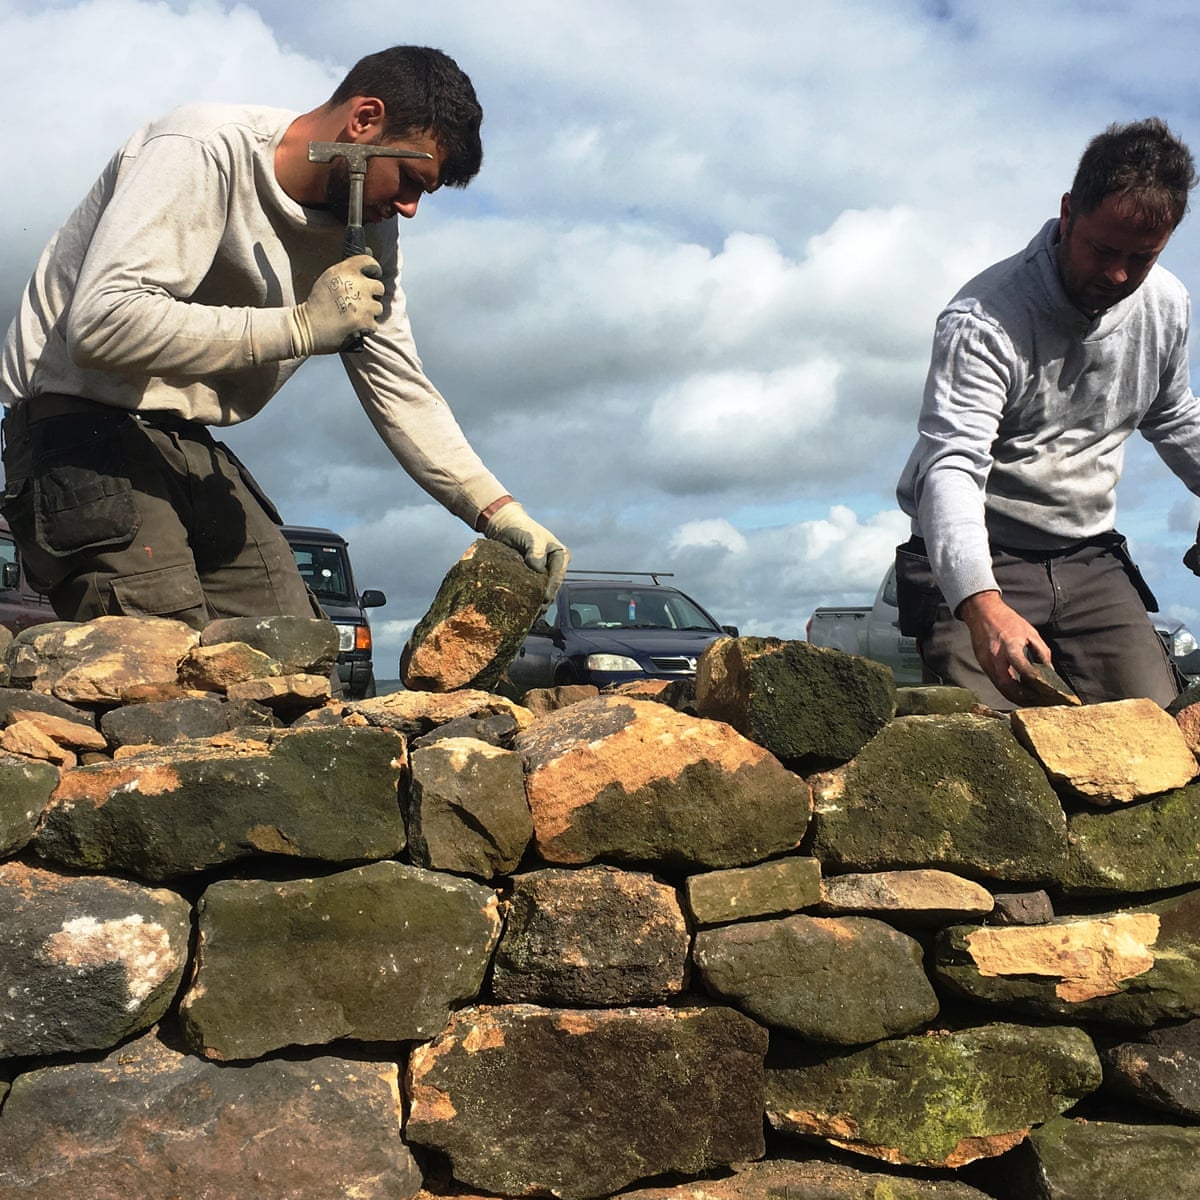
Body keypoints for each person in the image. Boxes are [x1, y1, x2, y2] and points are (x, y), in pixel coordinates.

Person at [0, 45, 568, 631]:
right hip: (73, 421)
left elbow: (396, 378)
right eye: (411, 180)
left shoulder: (370, 225)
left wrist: (496, 509)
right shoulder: (201, 148)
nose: (409, 207)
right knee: (168, 665)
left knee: (297, 653)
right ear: (365, 120)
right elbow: (102, 324)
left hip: (185, 438)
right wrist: (300, 326)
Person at [895, 117, 1200, 709]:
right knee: (994, 748)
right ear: (1067, 212)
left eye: (1142, 257)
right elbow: (952, 467)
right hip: (984, 553)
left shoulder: (1166, 305)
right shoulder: (982, 321)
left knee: (1158, 732)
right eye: (1103, 249)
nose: (1118, 274)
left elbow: (1172, 414)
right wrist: (981, 604)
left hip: (1089, 556)